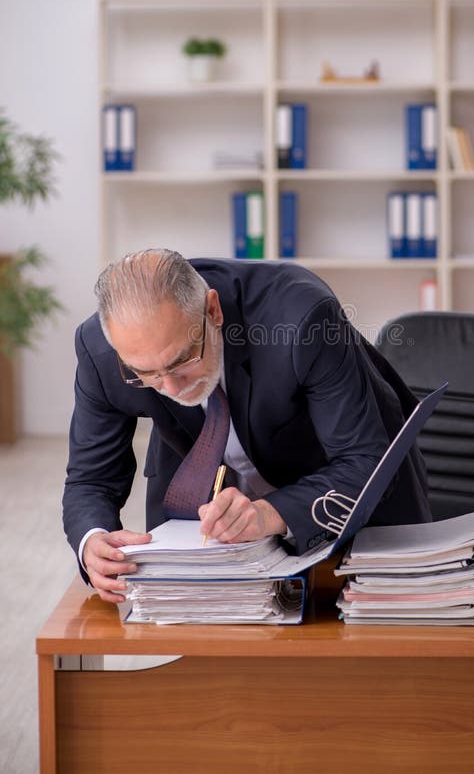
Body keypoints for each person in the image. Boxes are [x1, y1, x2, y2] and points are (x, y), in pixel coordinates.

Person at [63, 249, 431, 603]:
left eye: (182, 360)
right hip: (202, 500)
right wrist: (93, 541)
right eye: (146, 374)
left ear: (212, 310)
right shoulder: (100, 351)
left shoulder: (301, 318)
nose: (172, 389)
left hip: (337, 494)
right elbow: (91, 479)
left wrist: (271, 513)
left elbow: (364, 460)